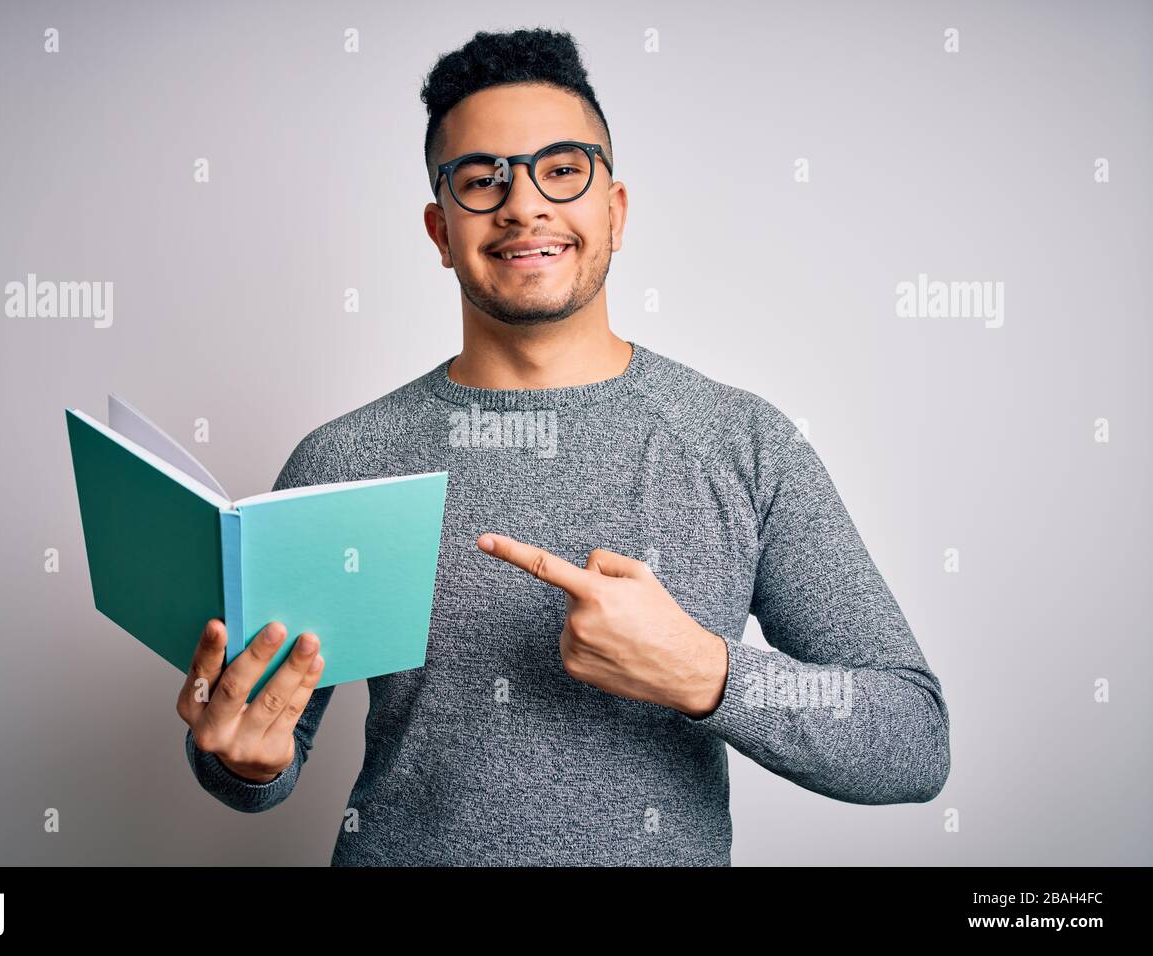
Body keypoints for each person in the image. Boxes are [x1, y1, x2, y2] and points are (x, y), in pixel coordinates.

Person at [175, 27, 950, 866]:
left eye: (562, 169)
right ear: (440, 232)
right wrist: (239, 757)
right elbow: (258, 760)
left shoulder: (745, 443)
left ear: (613, 211)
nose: (523, 205)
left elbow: (911, 738)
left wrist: (704, 673)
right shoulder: (344, 461)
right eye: (483, 180)